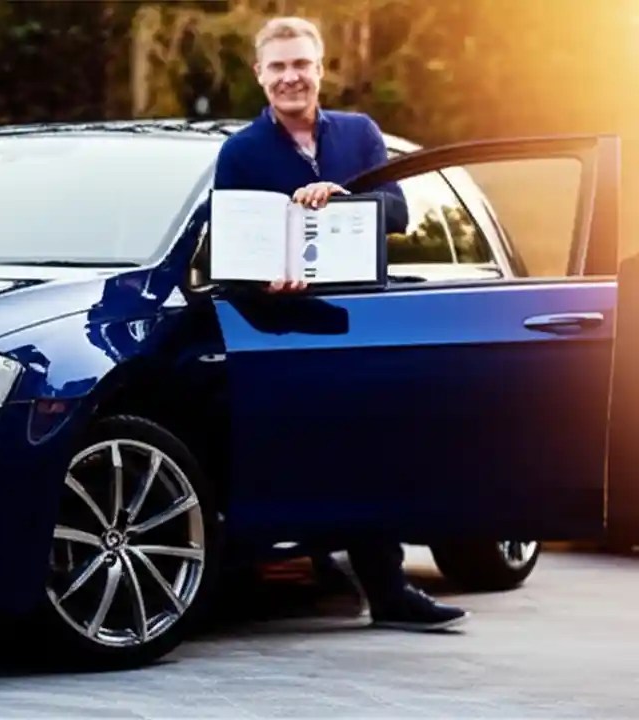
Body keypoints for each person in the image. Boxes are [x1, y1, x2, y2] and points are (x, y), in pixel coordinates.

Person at [213, 16, 469, 631]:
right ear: (259, 75)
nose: (290, 77)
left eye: (301, 64)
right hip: (284, 322)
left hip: (363, 317)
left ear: (321, 69)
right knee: (307, 450)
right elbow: (232, 246)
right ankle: (303, 570)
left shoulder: (359, 134)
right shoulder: (240, 153)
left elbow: (399, 212)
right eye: (277, 67)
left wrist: (344, 199)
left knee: (371, 449)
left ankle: (389, 592)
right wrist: (267, 280)